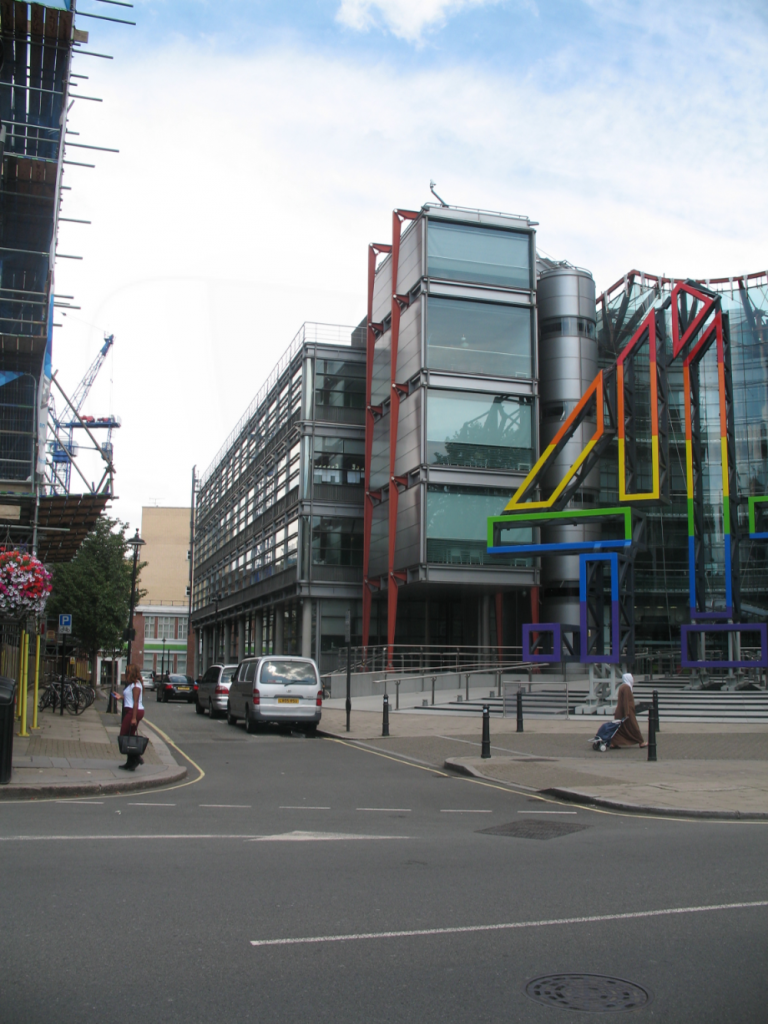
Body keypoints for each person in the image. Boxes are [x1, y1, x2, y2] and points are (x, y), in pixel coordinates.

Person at [118, 663, 145, 771]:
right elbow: (130, 699)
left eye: (127, 672)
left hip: (134, 712)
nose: (125, 674)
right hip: (132, 711)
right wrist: (121, 697)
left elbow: (135, 702)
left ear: (132, 673)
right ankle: (130, 762)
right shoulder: (132, 684)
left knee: (123, 736)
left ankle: (136, 758)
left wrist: (133, 718)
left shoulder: (136, 685)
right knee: (129, 736)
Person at [611, 672, 647, 748]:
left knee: (619, 729)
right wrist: (627, 712)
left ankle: (613, 743)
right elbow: (626, 700)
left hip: (621, 711)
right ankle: (641, 742)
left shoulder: (622, 686)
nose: (633, 679)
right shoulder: (626, 687)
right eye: (631, 678)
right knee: (634, 727)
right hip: (627, 711)